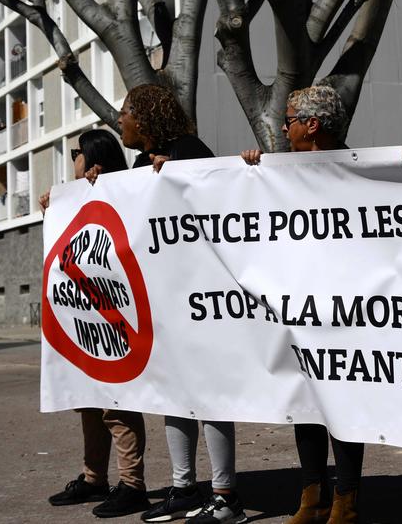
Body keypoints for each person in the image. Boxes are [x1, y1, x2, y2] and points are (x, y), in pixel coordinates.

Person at [111, 84, 244, 524]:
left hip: (202, 301)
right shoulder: (137, 165)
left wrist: (180, 176)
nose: (120, 120)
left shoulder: (190, 151)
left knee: (211, 397)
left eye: (126, 112)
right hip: (165, 303)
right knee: (175, 394)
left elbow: (221, 203)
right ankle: (184, 488)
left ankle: (225, 497)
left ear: (146, 117)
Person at [241, 85, 361, 524]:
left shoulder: (359, 170)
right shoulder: (280, 171)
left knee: (344, 406)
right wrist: (251, 174)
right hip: (300, 308)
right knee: (305, 402)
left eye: (289, 119)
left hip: (348, 313)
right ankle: (313, 494)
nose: (283, 127)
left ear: (312, 125)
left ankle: (346, 501)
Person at [40, 129, 151, 520]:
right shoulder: (80, 198)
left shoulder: (127, 190)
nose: (72, 159)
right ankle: (94, 478)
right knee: (89, 401)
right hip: (85, 318)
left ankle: (132, 485)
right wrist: (54, 210)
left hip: (115, 317)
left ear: (92, 157)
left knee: (116, 407)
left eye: (76, 152)